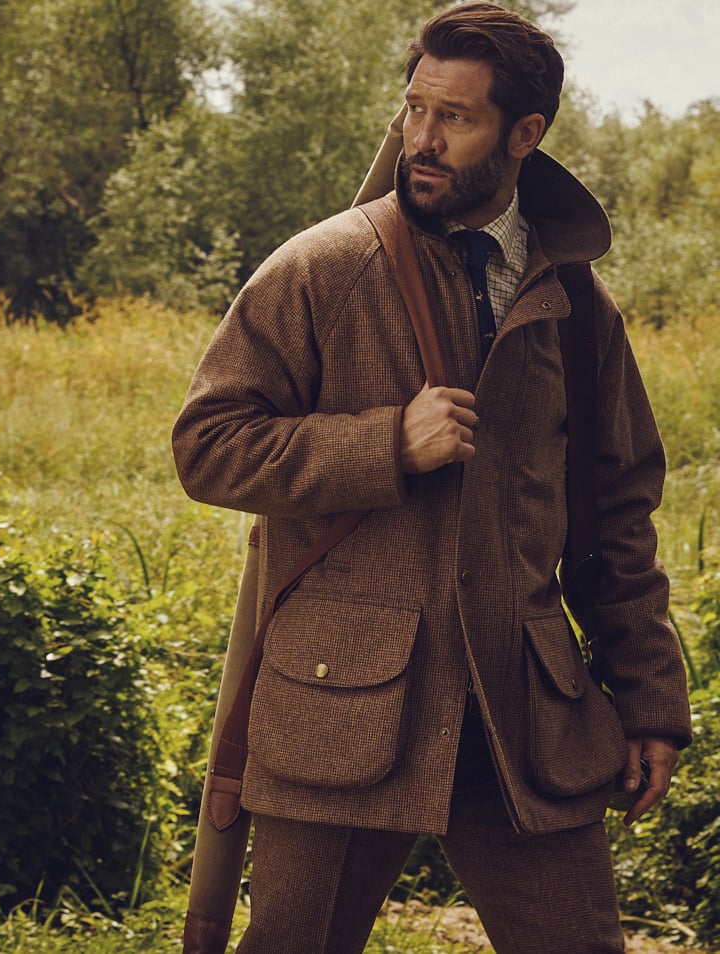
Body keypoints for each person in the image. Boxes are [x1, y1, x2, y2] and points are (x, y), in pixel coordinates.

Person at [170, 3, 693, 952]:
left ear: (524, 135)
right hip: (342, 704)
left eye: (456, 118)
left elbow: (618, 516)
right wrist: (384, 446)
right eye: (416, 108)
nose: (423, 138)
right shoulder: (322, 267)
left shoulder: (577, 303)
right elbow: (207, 445)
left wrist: (650, 697)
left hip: (521, 713)